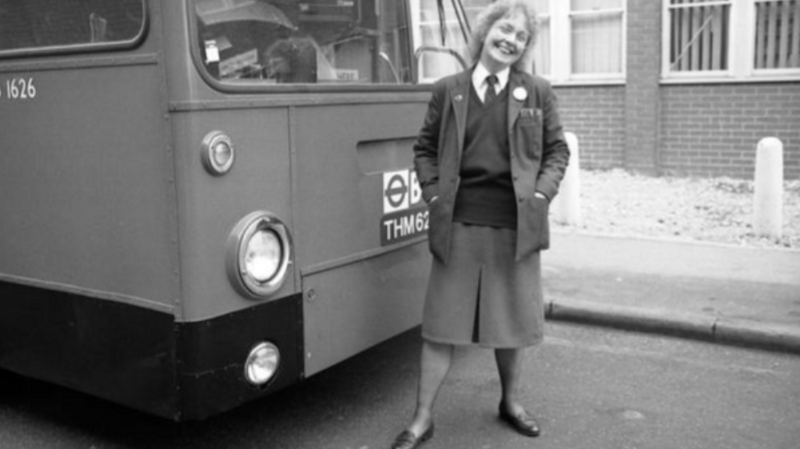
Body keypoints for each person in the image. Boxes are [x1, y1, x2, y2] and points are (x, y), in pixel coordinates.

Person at [389, 1, 570, 448]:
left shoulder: (538, 92)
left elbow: (556, 152)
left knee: (510, 323)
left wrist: (543, 194)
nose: (510, 40)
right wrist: (432, 195)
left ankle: (510, 403)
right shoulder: (447, 89)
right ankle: (421, 418)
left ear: (525, 48)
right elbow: (424, 149)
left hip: (514, 227)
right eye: (504, 30)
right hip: (459, 224)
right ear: (485, 31)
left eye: (521, 37)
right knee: (440, 325)